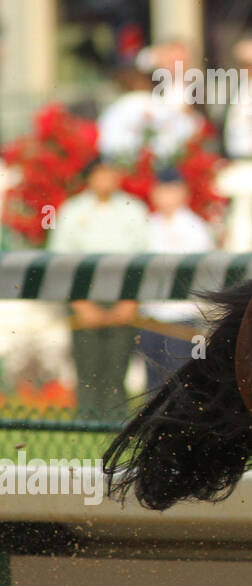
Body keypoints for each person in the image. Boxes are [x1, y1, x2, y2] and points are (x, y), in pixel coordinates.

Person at [47, 157, 151, 418]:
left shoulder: (134, 210)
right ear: (90, 177)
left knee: (118, 364)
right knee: (87, 365)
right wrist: (80, 305)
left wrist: (131, 302)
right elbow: (59, 263)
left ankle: (116, 422)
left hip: (122, 296)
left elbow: (146, 260)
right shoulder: (72, 210)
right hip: (84, 296)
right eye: (101, 174)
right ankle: (86, 421)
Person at [137, 167, 215, 389]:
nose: (167, 196)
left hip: (182, 315)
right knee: (152, 384)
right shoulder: (147, 225)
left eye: (172, 190)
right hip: (151, 315)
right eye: (162, 190)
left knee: (179, 382)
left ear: (183, 193)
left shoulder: (196, 228)